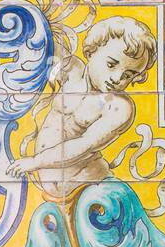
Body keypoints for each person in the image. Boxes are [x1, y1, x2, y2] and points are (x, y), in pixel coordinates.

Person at [9, 16, 157, 201]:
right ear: (92, 51)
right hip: (59, 196)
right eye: (111, 65)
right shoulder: (71, 69)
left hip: (91, 191)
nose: (119, 78)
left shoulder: (118, 107)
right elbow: (40, 38)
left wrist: (35, 162)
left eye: (129, 75)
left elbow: (83, 145)